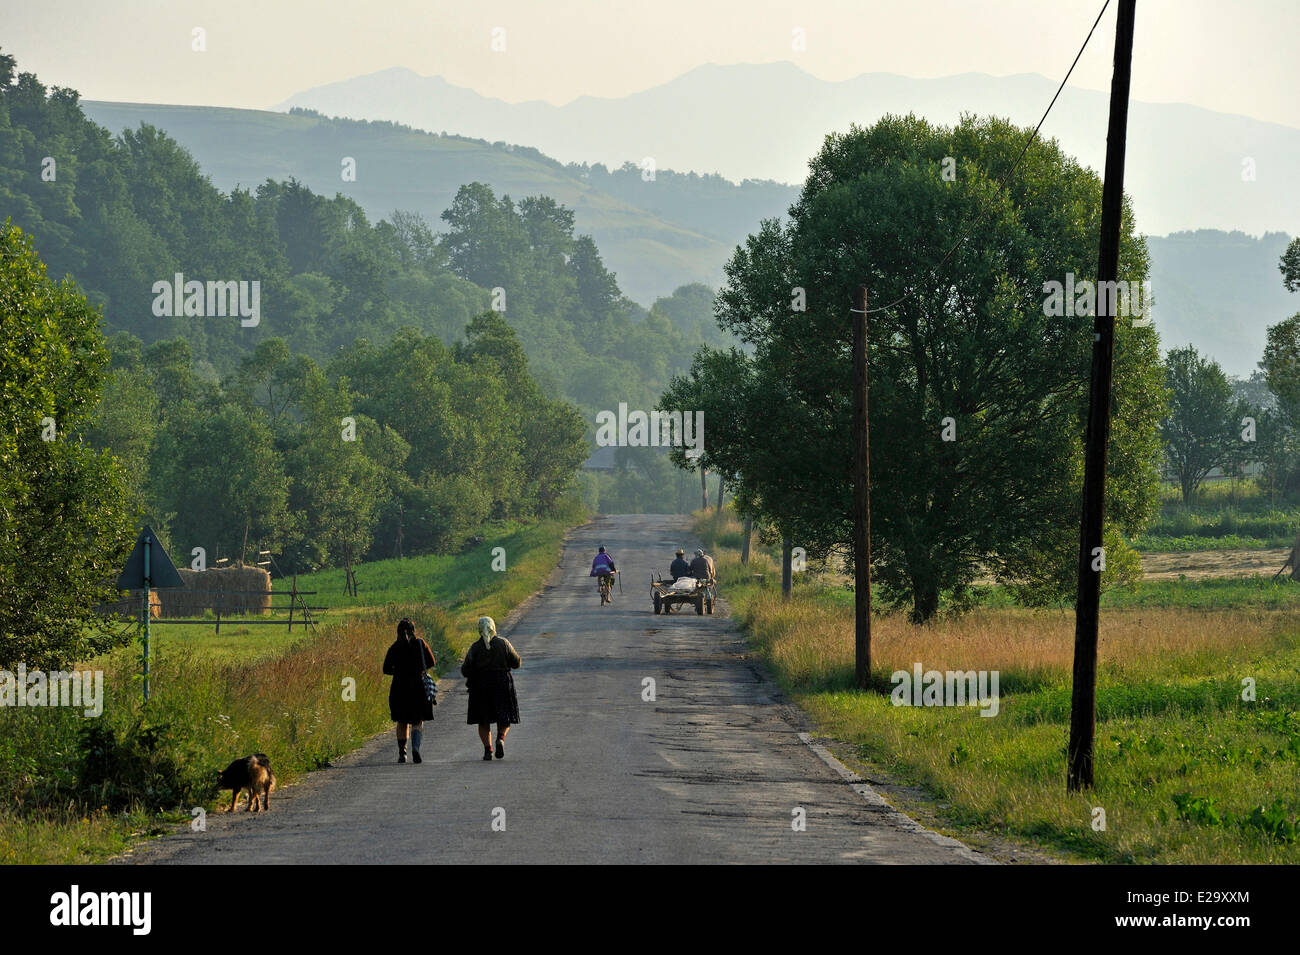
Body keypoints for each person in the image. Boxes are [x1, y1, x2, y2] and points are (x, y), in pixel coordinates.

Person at [461, 616, 521, 761]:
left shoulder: (475, 648)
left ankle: (488, 750)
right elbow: (516, 662)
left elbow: (465, 670)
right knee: (504, 716)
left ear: (479, 630)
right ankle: (500, 738)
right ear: (493, 628)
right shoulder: (504, 643)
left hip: (480, 687)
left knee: (483, 720)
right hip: (502, 684)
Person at [382, 618, 436, 764]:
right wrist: (419, 670)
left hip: (399, 687)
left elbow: (386, 669)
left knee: (402, 721)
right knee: (417, 721)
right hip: (418, 687)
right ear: (413, 630)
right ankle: (416, 748)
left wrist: (399, 671)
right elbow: (432, 661)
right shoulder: (420, 643)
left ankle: (402, 753)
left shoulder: (394, 647)